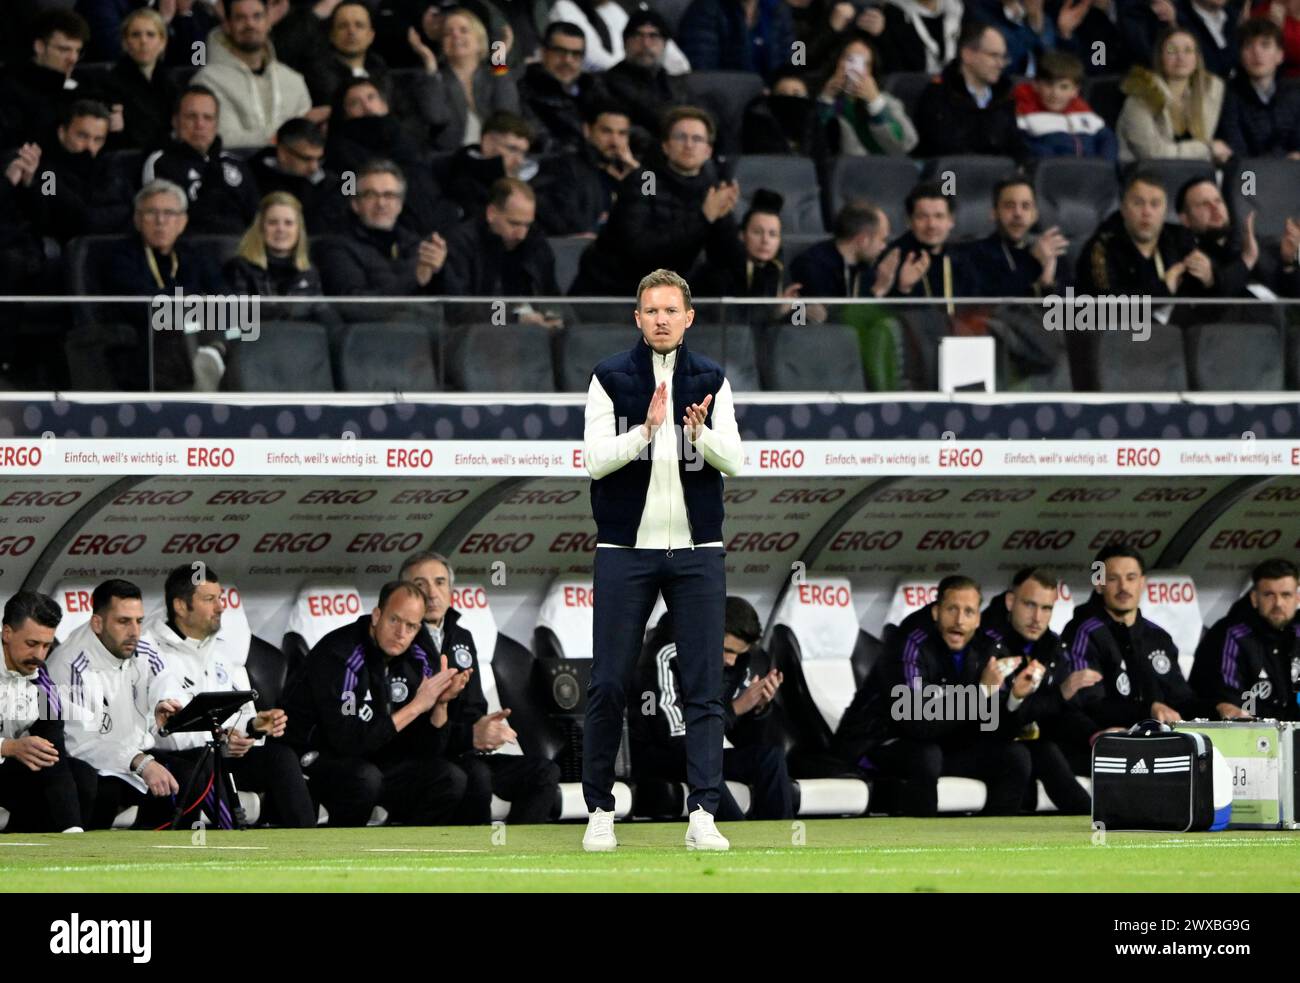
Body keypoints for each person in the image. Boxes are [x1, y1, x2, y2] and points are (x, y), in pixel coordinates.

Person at [581, 268, 744, 852]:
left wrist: (698, 435)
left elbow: (736, 460)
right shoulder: (609, 377)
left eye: (671, 310)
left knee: (704, 686)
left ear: (688, 317)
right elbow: (595, 461)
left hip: (698, 551)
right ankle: (599, 808)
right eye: (651, 310)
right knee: (607, 683)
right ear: (637, 318)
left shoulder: (711, 378)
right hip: (625, 552)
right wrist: (645, 433)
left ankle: (702, 811)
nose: (661, 319)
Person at [833, 575, 1034, 817]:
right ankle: (922, 846)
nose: (959, 621)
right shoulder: (908, 645)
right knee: (926, 755)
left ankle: (993, 844)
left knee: (1015, 757)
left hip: (943, 745)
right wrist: (981, 693)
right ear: (936, 612)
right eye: (952, 609)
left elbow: (995, 730)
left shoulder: (986, 649)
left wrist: (1014, 699)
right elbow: (916, 724)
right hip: (877, 743)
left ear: (978, 619)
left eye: (969, 612)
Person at [282, 581, 466, 827]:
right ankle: (340, 851)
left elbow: (431, 750)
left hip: (375, 758)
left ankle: (411, 853)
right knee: (365, 779)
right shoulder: (341, 654)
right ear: (377, 615)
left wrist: (440, 704)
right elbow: (346, 740)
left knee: (450, 778)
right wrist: (416, 707)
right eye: (394, 620)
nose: (401, 633)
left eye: (411, 626)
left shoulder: (419, 656)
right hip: (314, 754)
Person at [148, 564, 316, 828]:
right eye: (209, 599)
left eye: (220, 598)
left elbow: (241, 714)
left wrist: (255, 727)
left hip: (223, 754)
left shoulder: (223, 652)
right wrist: (222, 739)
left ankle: (306, 843)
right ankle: (235, 839)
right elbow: (163, 728)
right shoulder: (150, 653)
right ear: (181, 606)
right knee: (200, 765)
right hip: (180, 758)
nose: (221, 607)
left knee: (280, 757)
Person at [400, 552, 562, 825]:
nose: (431, 593)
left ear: (451, 590)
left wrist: (487, 727)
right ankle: (476, 854)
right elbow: (409, 725)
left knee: (543, 772)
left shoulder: (462, 637)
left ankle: (522, 851)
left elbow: (474, 707)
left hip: (466, 750)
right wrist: (469, 736)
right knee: (476, 774)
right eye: (420, 584)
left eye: (440, 582)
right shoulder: (399, 641)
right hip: (426, 758)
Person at [46, 580, 202, 830]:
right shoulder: (70, 665)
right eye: (123, 621)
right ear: (97, 623)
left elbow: (164, 677)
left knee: (191, 775)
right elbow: (80, 744)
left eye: (139, 621)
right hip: (94, 764)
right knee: (103, 788)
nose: (134, 631)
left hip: (135, 754)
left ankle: (162, 852)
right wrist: (140, 762)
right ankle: (94, 854)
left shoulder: (140, 645)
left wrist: (164, 702)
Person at [631, 597, 793, 820]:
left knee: (769, 758)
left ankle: (783, 844)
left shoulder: (736, 663)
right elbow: (674, 734)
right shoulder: (664, 654)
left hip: (704, 753)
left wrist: (758, 710)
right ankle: (739, 835)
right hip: (660, 755)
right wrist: (735, 708)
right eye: (727, 650)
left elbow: (737, 736)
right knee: (702, 758)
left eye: (738, 653)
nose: (731, 661)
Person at [570, 107, 740, 299]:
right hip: (613, 291)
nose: (689, 145)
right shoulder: (646, 179)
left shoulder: (710, 188)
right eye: (680, 137)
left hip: (665, 295)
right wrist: (704, 218)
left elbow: (728, 260)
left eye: (697, 139)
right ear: (666, 146)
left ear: (708, 150)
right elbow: (641, 250)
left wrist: (723, 216)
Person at [979, 568, 1096, 812]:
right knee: (1033, 754)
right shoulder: (987, 643)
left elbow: (1065, 712)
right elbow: (995, 721)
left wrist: (1096, 735)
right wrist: (1058, 695)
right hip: (984, 741)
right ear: (1011, 602)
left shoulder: (1052, 646)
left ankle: (1108, 819)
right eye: (1029, 605)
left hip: (1035, 741)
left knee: (1075, 750)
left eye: (1046, 609)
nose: (1037, 618)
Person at [1060, 546, 1214, 729]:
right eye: (1113, 579)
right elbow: (1090, 704)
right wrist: (1148, 710)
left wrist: (1218, 708)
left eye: (1131, 578)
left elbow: (1181, 698)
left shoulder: (1158, 636)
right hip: (1107, 742)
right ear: (1099, 585)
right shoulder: (1084, 632)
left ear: (1142, 583)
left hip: (1161, 738)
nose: (1123, 587)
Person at [93, 179, 225, 392]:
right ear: (137, 220)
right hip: (146, 342)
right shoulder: (119, 256)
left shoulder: (195, 255)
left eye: (169, 213)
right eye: (151, 213)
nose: (160, 221)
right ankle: (204, 373)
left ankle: (214, 357)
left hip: (194, 326)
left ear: (182, 222)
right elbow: (141, 304)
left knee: (244, 323)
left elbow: (223, 295)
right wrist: (195, 304)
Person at [0, 591, 96, 833]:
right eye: (32, 644)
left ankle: (31, 844)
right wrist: (7, 746)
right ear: (7, 633)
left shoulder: (43, 683)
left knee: (80, 775)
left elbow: (54, 758)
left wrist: (72, 830)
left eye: (46, 645)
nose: (39, 656)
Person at [316, 160, 450, 321]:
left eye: (389, 195)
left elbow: (452, 309)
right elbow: (354, 307)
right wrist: (416, 278)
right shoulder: (336, 247)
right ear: (355, 204)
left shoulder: (417, 245)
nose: (381, 203)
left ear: (400, 205)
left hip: (419, 338)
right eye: (371, 195)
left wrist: (438, 271)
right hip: (366, 341)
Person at [324, 78, 459, 238]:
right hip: (384, 234)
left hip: (436, 226)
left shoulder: (408, 137)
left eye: (371, 98)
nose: (367, 107)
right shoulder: (340, 152)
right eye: (355, 103)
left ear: (384, 104)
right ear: (344, 115)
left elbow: (427, 182)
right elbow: (348, 193)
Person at [224, 191, 339, 367]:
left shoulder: (308, 272)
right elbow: (238, 319)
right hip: (255, 353)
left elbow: (323, 313)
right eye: (273, 223)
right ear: (261, 227)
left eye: (288, 223)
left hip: (301, 351)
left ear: (298, 230)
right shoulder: (239, 267)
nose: (281, 229)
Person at [191, 0, 314, 149]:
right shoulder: (207, 80)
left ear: (268, 22)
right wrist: (286, 137)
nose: (250, 24)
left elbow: (307, 141)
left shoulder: (294, 81)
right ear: (227, 25)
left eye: (257, 16)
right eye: (240, 18)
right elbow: (223, 137)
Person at [142, 85, 260, 237]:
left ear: (216, 124)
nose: (200, 125)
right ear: (175, 121)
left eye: (208, 118)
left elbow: (256, 218)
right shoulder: (160, 162)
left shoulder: (237, 164)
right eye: (191, 117)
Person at [441, 178, 562, 324]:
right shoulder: (460, 244)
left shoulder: (536, 245)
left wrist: (555, 316)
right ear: (491, 213)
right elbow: (459, 310)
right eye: (514, 223)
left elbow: (553, 298)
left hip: (531, 338)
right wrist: (513, 319)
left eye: (527, 225)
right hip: (477, 339)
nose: (521, 235)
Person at [1191, 558, 1300, 719]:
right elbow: (1228, 699)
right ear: (1254, 598)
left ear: (1297, 598)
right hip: (1251, 733)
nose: (1278, 603)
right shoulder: (1232, 634)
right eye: (1269, 595)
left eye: (1286, 595)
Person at [1075, 169, 1210, 297]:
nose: (1147, 212)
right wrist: (1163, 289)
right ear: (1123, 208)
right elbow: (1108, 306)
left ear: (1165, 211)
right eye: (1138, 203)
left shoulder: (1181, 239)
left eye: (1155, 204)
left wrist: (1209, 280)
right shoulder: (1101, 247)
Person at [1117, 26, 1229, 163]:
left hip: (1194, 173)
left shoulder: (1209, 92)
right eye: (1171, 50)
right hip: (1146, 175)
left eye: (1188, 50)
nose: (1181, 57)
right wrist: (1206, 148)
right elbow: (1152, 154)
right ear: (1160, 56)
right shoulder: (1140, 97)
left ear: (1197, 58)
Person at [28, 100, 134, 243]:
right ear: (62, 132)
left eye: (98, 139)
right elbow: (61, 217)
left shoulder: (107, 165)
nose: (90, 146)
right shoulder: (47, 172)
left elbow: (130, 211)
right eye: (82, 136)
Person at [915, 22, 1025, 158]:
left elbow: (1016, 147)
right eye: (993, 56)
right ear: (968, 55)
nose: (1000, 64)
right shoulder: (937, 95)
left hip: (1000, 175)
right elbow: (941, 148)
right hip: (953, 177)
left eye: (1003, 57)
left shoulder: (1005, 96)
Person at [419, 7, 521, 150]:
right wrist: (430, 66)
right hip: (454, 158)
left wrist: (499, 60)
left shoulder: (495, 75)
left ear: (479, 41)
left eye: (464, 30)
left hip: (496, 152)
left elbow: (507, 113)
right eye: (448, 33)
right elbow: (436, 117)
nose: (455, 35)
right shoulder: (435, 79)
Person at [0, 10, 103, 148]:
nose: (73, 59)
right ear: (40, 47)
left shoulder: (84, 82)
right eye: (64, 50)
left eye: (77, 51)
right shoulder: (11, 87)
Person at [533, 103, 639, 235]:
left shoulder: (636, 170)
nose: (615, 141)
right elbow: (556, 216)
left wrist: (638, 173)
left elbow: (657, 205)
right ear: (587, 130)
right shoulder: (563, 166)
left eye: (622, 134)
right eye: (606, 132)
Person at [601, 10, 691, 157]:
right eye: (638, 36)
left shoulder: (677, 86)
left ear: (665, 45)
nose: (646, 43)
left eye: (653, 36)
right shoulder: (606, 83)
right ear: (625, 43)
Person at [960, 177, 1069, 297]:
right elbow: (989, 303)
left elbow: (1070, 312)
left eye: (1025, 206)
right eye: (1009, 206)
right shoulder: (976, 255)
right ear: (994, 213)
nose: (1018, 213)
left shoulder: (1052, 253)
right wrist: (1033, 263)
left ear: (1035, 215)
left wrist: (1047, 284)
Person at [815, 33, 918, 156]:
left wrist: (875, 104)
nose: (855, 69)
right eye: (849, 59)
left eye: (864, 64)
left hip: (880, 169)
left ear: (871, 71)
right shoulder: (821, 97)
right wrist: (826, 98)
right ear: (837, 62)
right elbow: (815, 142)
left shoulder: (887, 102)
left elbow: (905, 145)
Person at [1216, 17, 1300, 157]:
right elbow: (1235, 147)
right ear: (1241, 55)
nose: (1257, 53)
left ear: (1280, 55)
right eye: (1249, 46)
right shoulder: (1228, 93)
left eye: (1265, 45)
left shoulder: (1296, 92)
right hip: (1248, 174)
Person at [247, 118, 349, 234]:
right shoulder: (251, 179)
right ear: (283, 154)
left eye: (319, 159)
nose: (314, 167)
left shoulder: (332, 182)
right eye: (307, 159)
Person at [516, 21, 605, 153]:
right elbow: (538, 140)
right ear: (544, 52)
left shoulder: (593, 87)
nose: (568, 60)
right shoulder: (525, 88)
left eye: (576, 54)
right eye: (560, 51)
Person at [1014, 50, 1119, 160]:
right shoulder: (1024, 116)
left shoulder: (1084, 113)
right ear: (1036, 85)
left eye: (1064, 87)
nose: (1055, 93)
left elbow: (1107, 140)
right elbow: (1030, 150)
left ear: (1075, 91)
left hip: (1092, 172)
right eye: (1049, 85)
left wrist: (1104, 165)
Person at [104, 7, 180, 153]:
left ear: (162, 42)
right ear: (125, 43)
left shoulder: (172, 84)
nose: (143, 41)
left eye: (150, 35)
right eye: (135, 35)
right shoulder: (110, 84)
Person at [547, 0, 694, 72]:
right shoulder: (565, 7)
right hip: (607, 87)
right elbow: (592, 59)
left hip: (648, 82)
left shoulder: (623, 7)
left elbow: (679, 63)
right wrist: (633, 72)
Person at [789, 199, 894, 298]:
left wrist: (903, 287)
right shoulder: (812, 266)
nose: (884, 247)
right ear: (862, 240)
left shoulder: (872, 265)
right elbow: (830, 315)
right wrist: (877, 291)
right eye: (882, 240)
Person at [445, 110, 537, 215]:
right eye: (512, 149)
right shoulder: (461, 181)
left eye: (523, 153)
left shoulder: (529, 181)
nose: (519, 160)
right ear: (488, 142)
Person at [677, 0, 797, 79]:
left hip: (771, 99)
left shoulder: (778, 9)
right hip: (727, 99)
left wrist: (789, 82)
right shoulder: (705, 9)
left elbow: (791, 59)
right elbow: (703, 71)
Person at [969, 0, 1056, 76]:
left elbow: (1051, 60)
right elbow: (1009, 53)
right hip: (1008, 79)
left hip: (1039, 81)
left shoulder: (1040, 15)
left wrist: (1036, 18)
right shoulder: (980, 9)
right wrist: (1013, 12)